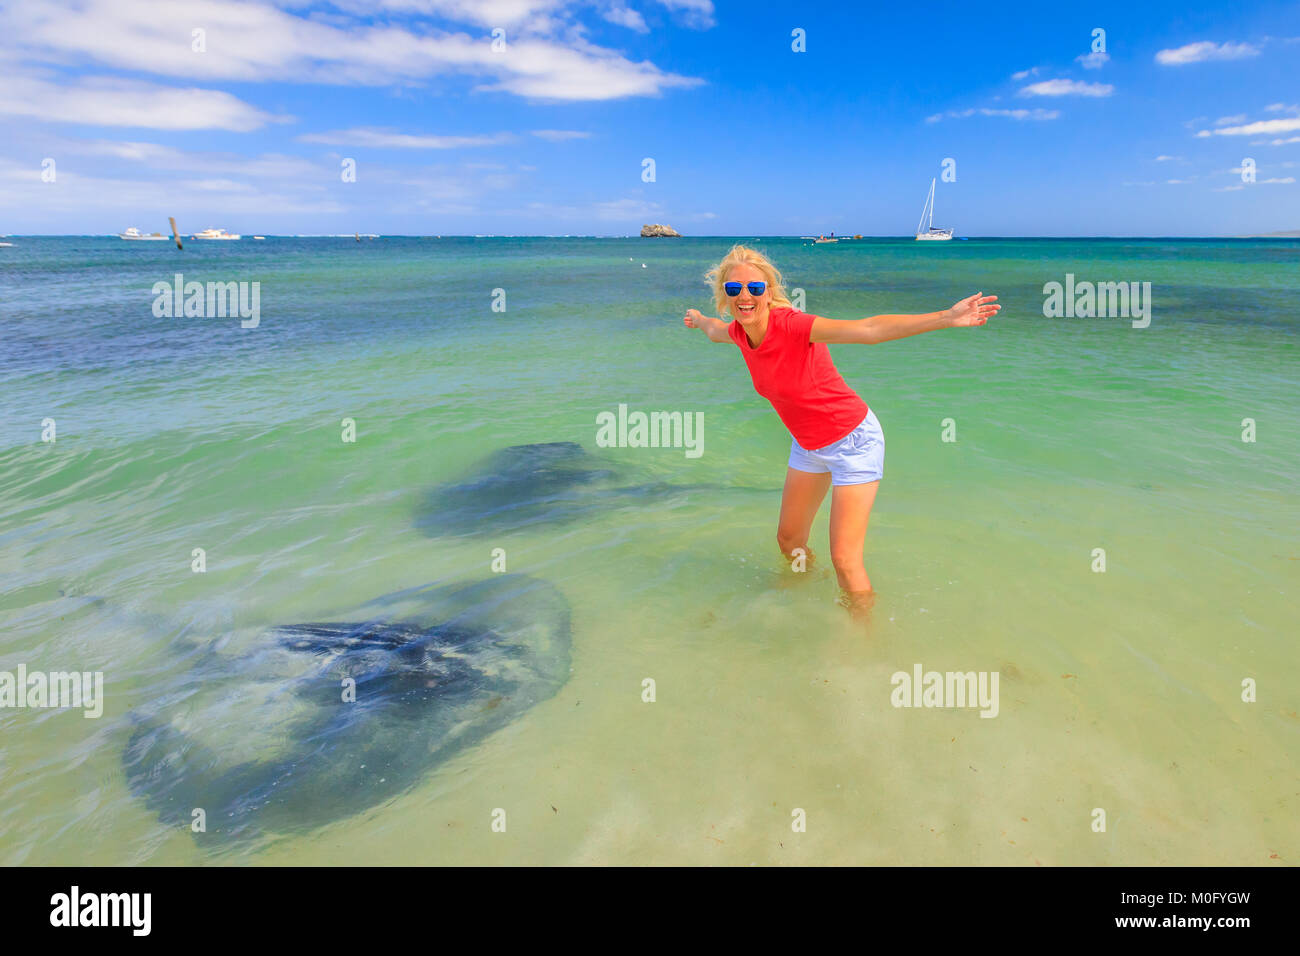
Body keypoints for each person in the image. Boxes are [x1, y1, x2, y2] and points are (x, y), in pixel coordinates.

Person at [683, 244, 998, 618]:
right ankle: (804, 587)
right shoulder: (738, 332)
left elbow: (868, 329)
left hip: (853, 441)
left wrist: (946, 317)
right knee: (789, 541)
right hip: (808, 446)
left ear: (769, 291)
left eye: (755, 288)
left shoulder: (795, 326)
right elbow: (715, 330)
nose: (745, 297)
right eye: (734, 290)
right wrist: (699, 319)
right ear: (725, 295)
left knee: (846, 561)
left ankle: (864, 644)